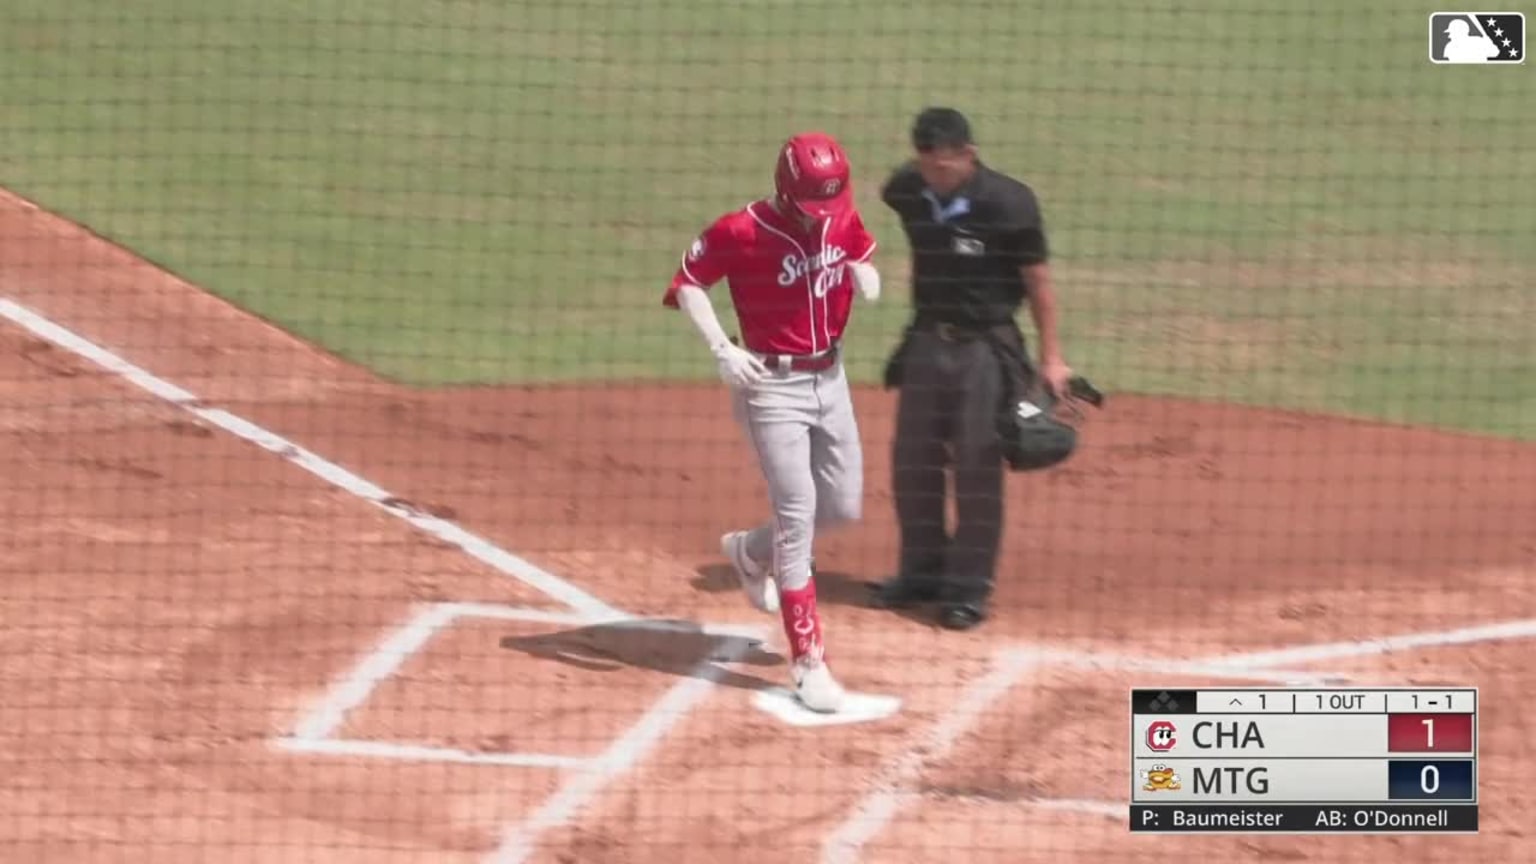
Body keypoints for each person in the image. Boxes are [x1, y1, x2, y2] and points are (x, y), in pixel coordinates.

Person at [662, 132, 882, 712]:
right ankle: (809, 661)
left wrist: (863, 269)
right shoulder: (741, 231)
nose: (823, 219)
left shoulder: (838, 215)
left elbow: (856, 243)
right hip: (770, 386)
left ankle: (748, 552)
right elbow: (688, 284)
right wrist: (721, 348)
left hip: (831, 380)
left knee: (843, 506)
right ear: (786, 191)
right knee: (799, 515)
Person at [871, 107, 1073, 630]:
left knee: (977, 467)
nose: (936, 177)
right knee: (912, 462)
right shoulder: (908, 189)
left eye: (946, 167)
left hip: (986, 348)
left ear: (969, 155)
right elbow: (898, 205)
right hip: (926, 340)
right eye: (927, 166)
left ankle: (967, 589)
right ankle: (922, 572)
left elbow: (1039, 286)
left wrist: (1052, 359)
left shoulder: (1008, 203)